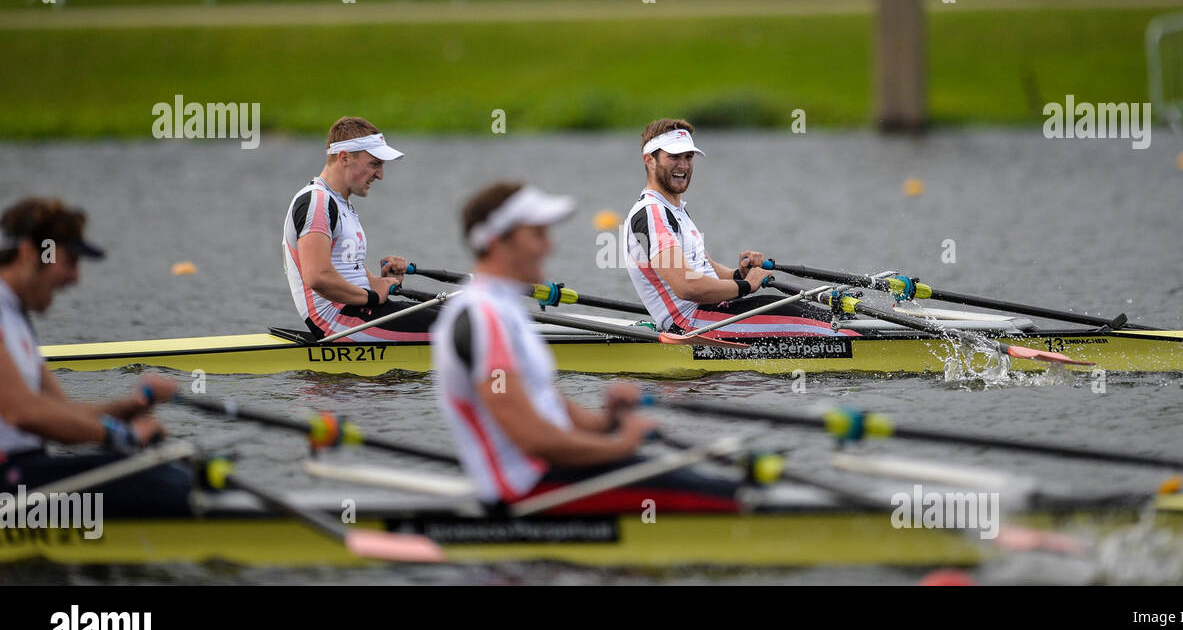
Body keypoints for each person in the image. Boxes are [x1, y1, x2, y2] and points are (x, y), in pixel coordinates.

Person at [433, 182, 739, 511]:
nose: (549, 246)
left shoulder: (503, 308)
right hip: (527, 492)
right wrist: (622, 446)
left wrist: (608, 421)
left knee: (697, 477)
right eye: (536, 235)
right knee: (722, 495)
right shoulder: (483, 317)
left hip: (553, 475)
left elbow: (551, 408)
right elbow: (534, 439)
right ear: (496, 242)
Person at [0, 198, 190, 515]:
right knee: (156, 479)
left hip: (22, 473)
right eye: (70, 261)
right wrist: (125, 435)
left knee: (165, 469)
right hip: (9, 481)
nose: (76, 278)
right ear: (30, 252)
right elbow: (25, 414)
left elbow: (63, 414)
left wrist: (128, 408)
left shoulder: (16, 317)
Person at [623, 118, 850, 337]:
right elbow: (686, 286)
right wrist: (745, 286)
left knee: (810, 313)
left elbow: (704, 268)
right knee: (814, 323)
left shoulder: (672, 210)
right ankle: (872, 345)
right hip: (692, 324)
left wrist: (737, 274)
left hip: (713, 312)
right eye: (673, 157)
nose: (683, 165)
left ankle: (867, 335)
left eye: (688, 156)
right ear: (649, 160)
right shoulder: (652, 213)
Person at [282, 116, 433, 342]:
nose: (381, 175)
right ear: (344, 157)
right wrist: (371, 297)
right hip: (337, 321)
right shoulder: (317, 201)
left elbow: (346, 270)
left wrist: (380, 282)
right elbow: (318, 277)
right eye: (374, 164)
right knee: (460, 329)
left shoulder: (341, 204)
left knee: (459, 315)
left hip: (357, 311)